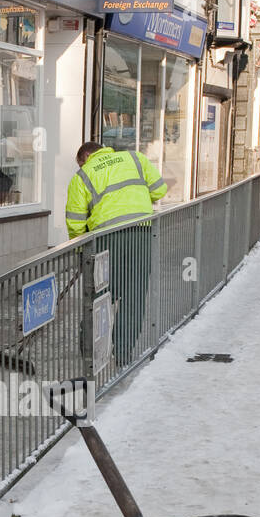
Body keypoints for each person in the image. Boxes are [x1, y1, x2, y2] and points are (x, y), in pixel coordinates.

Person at [64, 141, 167, 366]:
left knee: (99, 293)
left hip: (105, 240)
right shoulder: (135, 159)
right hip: (141, 235)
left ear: (87, 157)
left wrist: (82, 249)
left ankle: (89, 348)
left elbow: (75, 221)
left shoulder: (82, 176)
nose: (80, 167)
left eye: (80, 162)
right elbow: (159, 189)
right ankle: (123, 353)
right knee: (134, 295)